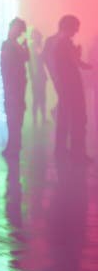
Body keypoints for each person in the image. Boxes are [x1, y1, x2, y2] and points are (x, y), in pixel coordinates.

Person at [45, 15, 92, 162]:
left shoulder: (56, 42)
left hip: (65, 86)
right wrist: (78, 58)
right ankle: (77, 153)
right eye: (75, 28)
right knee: (78, 119)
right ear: (68, 27)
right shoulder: (63, 43)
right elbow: (73, 64)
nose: (77, 31)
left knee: (65, 119)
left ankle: (63, 151)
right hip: (71, 86)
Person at [0, 18, 30, 158]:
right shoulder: (9, 45)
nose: (18, 32)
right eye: (17, 29)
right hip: (13, 87)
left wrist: (25, 48)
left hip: (15, 87)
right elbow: (7, 67)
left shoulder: (13, 45)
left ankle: (14, 145)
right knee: (14, 116)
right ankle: (13, 145)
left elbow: (25, 59)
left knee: (15, 116)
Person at [28, 29, 48, 126]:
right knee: (39, 97)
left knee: (40, 97)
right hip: (37, 76)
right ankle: (38, 119)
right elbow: (32, 62)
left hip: (38, 76)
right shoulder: (34, 47)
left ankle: (39, 119)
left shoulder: (35, 47)